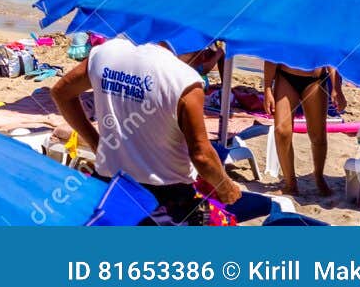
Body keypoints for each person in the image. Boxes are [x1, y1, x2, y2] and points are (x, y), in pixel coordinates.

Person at [52, 38, 241, 224]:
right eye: (211, 48)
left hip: (111, 186)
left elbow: (61, 93)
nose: (207, 62)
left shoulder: (107, 53)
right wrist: (226, 187)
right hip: (164, 198)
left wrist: (97, 144)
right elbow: (201, 156)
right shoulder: (185, 81)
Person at [262, 60, 344, 195]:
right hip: (285, 76)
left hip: (315, 80)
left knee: (318, 136)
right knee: (282, 132)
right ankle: (290, 183)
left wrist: (337, 87)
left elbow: (330, 53)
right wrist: (267, 88)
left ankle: (318, 176)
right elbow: (273, 50)